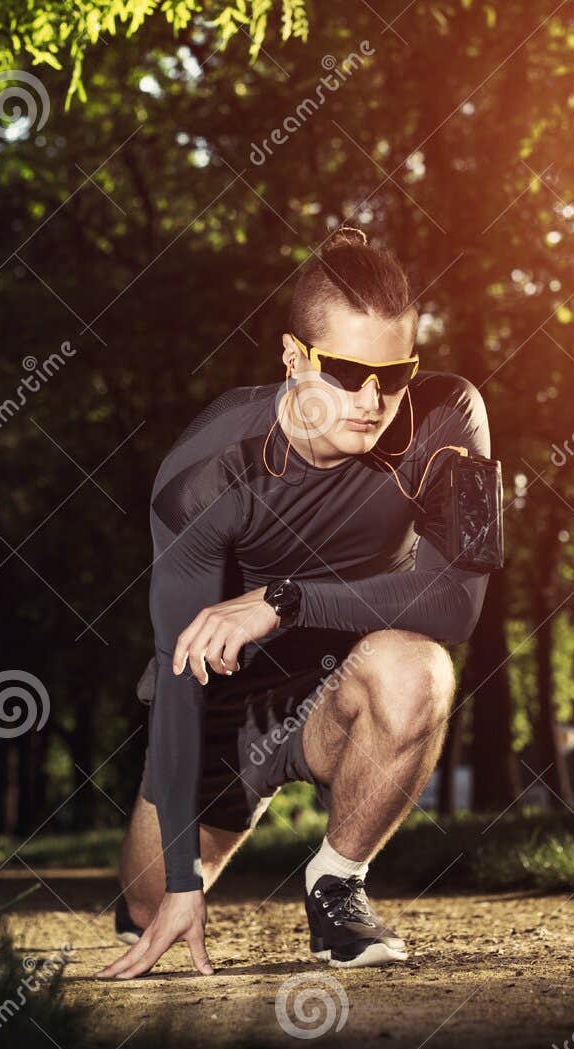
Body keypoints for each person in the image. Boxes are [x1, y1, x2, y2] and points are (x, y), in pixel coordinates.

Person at [98, 226, 496, 981]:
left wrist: (285, 600)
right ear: (293, 358)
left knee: (421, 668)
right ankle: (167, 884)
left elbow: (454, 606)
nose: (373, 401)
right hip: (226, 703)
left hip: (348, 682)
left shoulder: (452, 415)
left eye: (395, 374)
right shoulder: (206, 467)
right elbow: (179, 671)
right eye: (346, 372)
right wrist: (181, 883)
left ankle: (337, 881)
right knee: (152, 907)